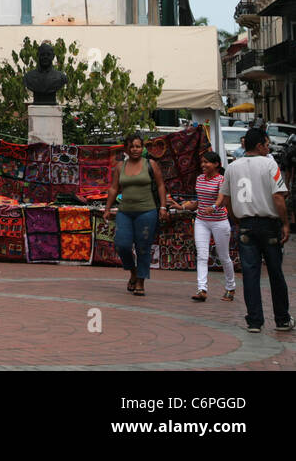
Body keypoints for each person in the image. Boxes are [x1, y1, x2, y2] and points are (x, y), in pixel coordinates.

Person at [222, 127, 291, 332]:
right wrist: (285, 223)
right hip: (268, 224)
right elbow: (278, 197)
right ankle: (282, 319)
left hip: (245, 225)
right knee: (275, 272)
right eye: (267, 144)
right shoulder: (270, 164)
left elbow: (226, 199)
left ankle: (254, 321)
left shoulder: (233, 167)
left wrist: (237, 220)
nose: (268, 147)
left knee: (250, 274)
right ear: (260, 145)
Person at [103, 134, 168, 297]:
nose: (135, 150)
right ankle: (132, 271)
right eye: (132, 147)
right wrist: (107, 208)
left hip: (147, 211)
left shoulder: (150, 164)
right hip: (125, 211)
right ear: (126, 149)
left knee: (143, 247)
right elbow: (113, 188)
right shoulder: (120, 167)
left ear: (143, 148)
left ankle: (140, 280)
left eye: (138, 146)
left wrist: (163, 207)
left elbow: (161, 186)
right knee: (121, 245)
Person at [181, 151, 235, 302]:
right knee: (202, 255)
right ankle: (202, 289)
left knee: (224, 257)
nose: (203, 165)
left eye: (207, 162)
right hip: (202, 221)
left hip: (219, 221)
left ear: (217, 164)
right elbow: (198, 201)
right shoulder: (199, 179)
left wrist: (214, 207)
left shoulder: (221, 179)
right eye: (202, 162)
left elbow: (222, 199)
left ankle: (230, 288)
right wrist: (182, 207)